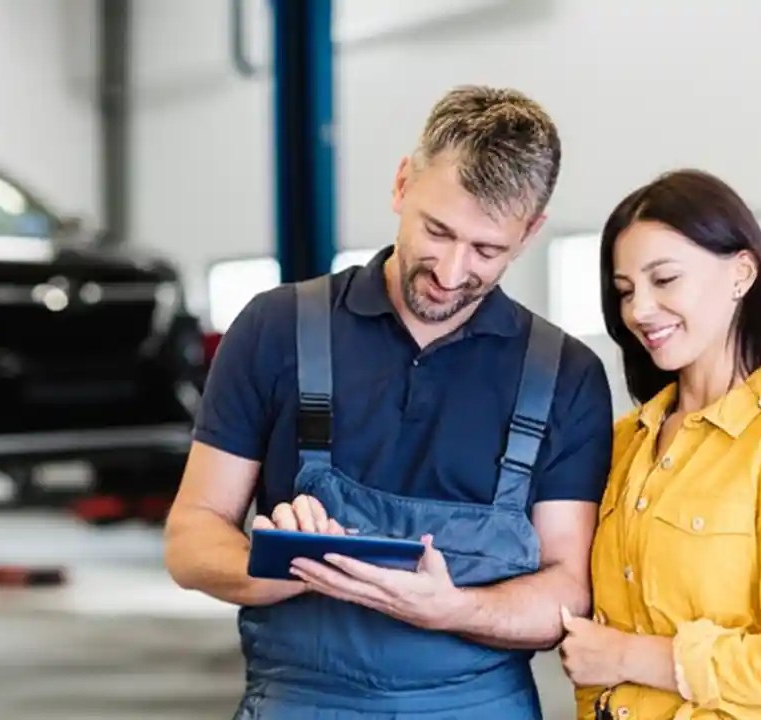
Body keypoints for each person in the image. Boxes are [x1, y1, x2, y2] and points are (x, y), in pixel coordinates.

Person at [163, 85, 614, 718]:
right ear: (403, 184)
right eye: (438, 231)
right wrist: (282, 567)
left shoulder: (564, 374)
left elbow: (569, 588)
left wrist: (453, 609)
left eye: (487, 251)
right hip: (302, 702)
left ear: (531, 232)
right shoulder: (276, 329)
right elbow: (191, 535)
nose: (453, 272)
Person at [558, 169, 761, 719]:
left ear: (742, 273)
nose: (639, 311)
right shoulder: (625, 441)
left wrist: (628, 657)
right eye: (625, 291)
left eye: (665, 279)